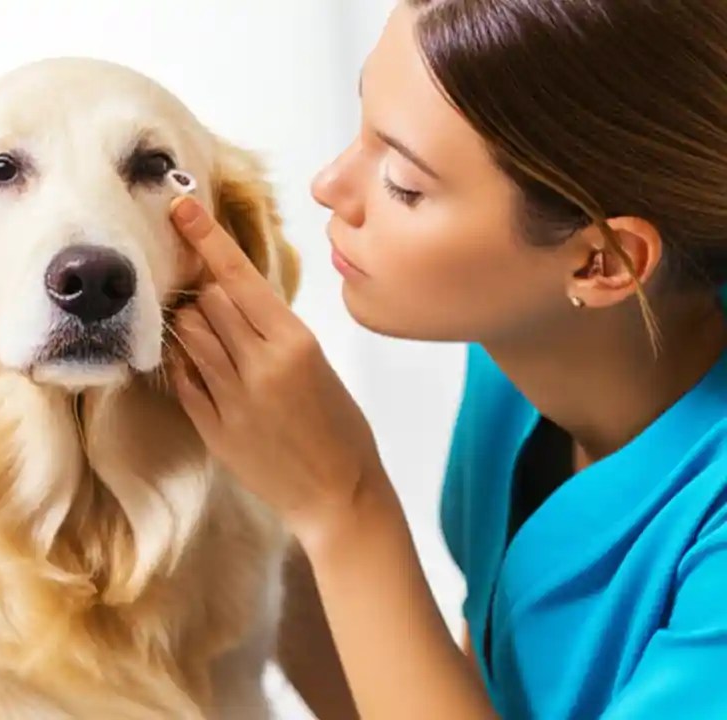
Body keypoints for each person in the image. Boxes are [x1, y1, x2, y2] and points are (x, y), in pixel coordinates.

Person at [167, 1, 727, 718]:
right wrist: (271, 482)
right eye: (361, 120)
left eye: (403, 183)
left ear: (602, 263)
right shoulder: (520, 362)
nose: (330, 185)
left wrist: (344, 503)